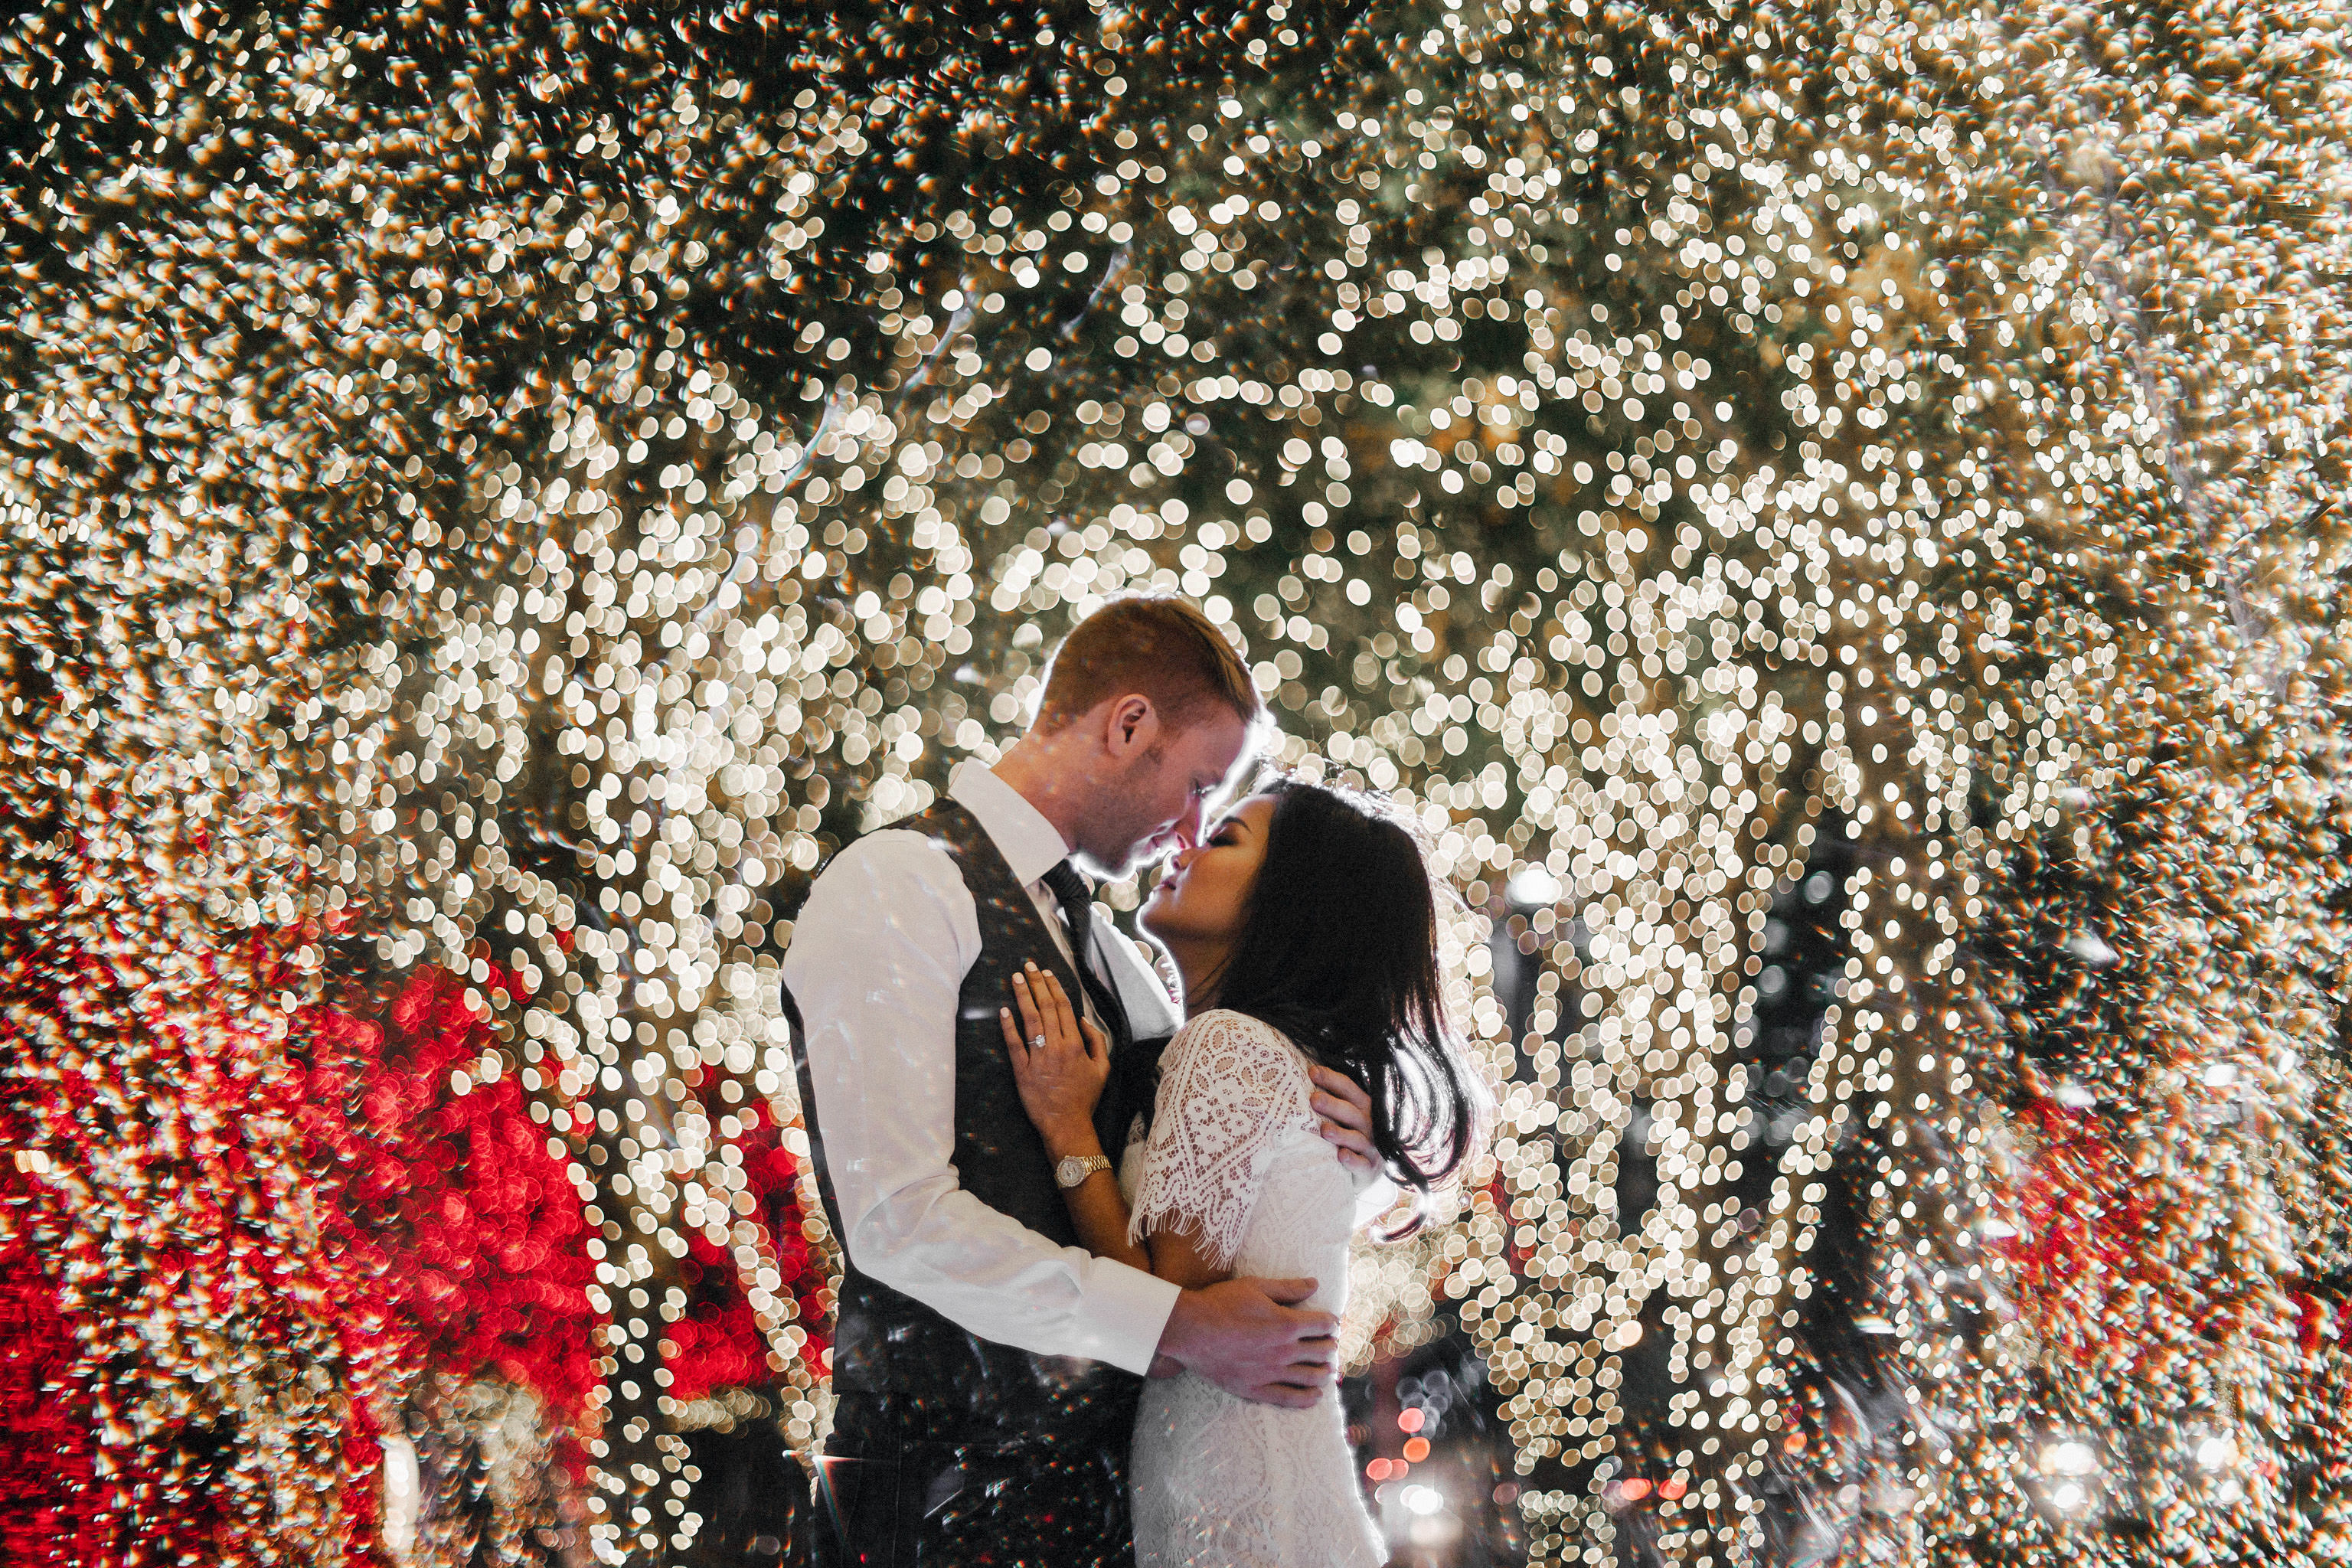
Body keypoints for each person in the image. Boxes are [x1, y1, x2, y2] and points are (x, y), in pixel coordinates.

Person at [780, 596, 1383, 1566]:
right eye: (1195, 785)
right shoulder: (898, 883)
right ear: (1128, 723)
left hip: (1104, 1512)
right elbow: (898, 1217)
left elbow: (1200, 1161)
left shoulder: (1111, 952)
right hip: (932, 1502)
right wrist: (1176, 1325)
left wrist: (1351, 1135)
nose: (1189, 830)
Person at [999, 776, 1488, 1566]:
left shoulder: (1226, 1046)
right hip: (1266, 1497)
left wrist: (1065, 1127)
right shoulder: (1285, 1063)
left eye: (1224, 839)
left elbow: (1154, 1323)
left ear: (1289, 903)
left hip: (1237, 1513)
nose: (1185, 844)